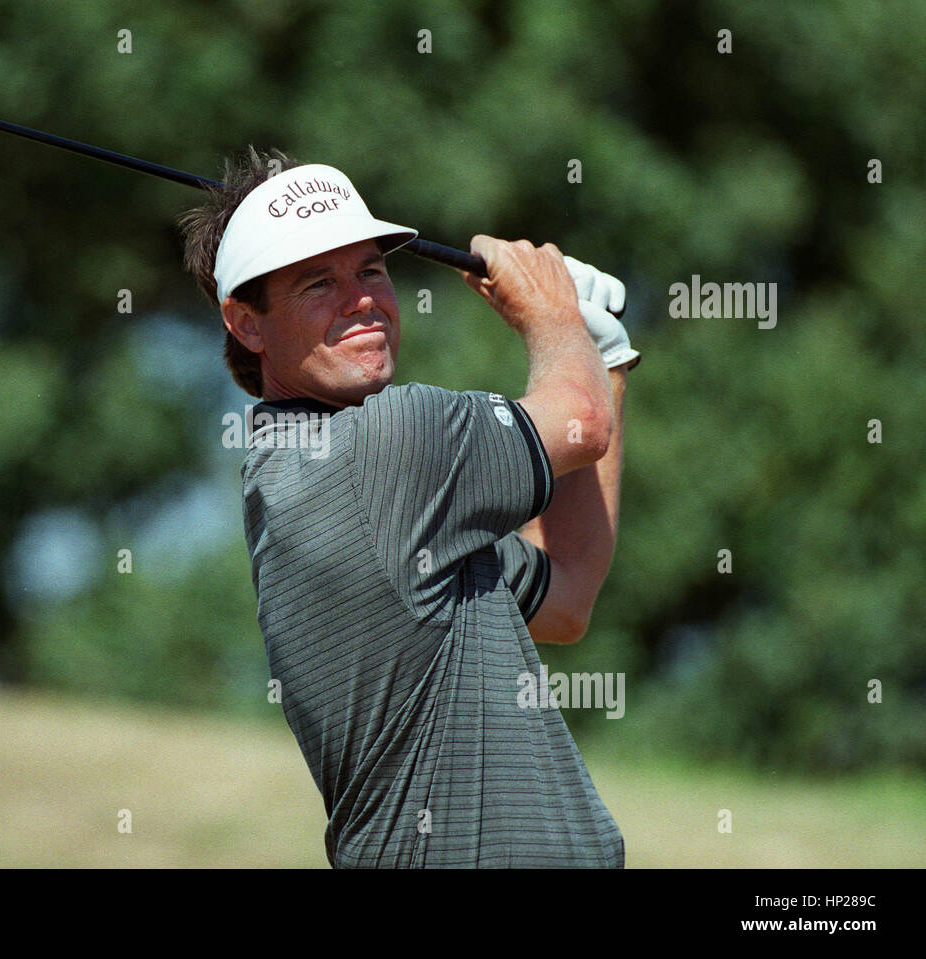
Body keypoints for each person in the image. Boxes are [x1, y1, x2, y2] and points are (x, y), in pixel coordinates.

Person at [179, 148, 638, 868]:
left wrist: (599, 351)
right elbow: (579, 418)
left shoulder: (350, 486)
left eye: (370, 268)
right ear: (247, 323)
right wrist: (554, 316)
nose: (360, 297)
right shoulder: (379, 448)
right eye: (316, 282)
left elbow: (568, 593)